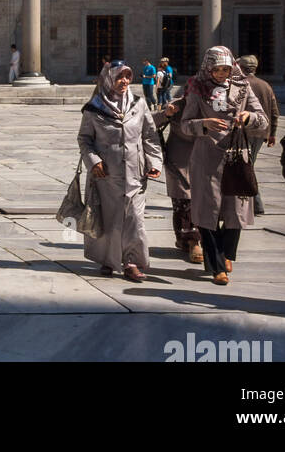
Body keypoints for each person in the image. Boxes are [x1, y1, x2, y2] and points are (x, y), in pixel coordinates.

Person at [179, 46, 268, 284]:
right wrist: (204, 124)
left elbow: (263, 119)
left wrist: (248, 118)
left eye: (225, 69)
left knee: (235, 212)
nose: (221, 74)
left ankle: (227, 254)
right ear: (208, 67)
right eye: (216, 69)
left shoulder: (242, 87)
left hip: (236, 156)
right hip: (207, 158)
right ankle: (217, 266)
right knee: (207, 213)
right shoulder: (197, 89)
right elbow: (185, 125)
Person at [77, 61, 162, 281]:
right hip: (106, 174)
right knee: (109, 218)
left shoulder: (138, 103)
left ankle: (131, 261)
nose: (124, 81)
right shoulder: (94, 108)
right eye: (119, 77)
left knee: (134, 218)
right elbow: (84, 139)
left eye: (127, 76)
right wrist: (93, 161)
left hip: (136, 172)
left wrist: (154, 162)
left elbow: (150, 136)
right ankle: (107, 259)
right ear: (108, 80)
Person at [153, 93, 203, 263]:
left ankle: (192, 240)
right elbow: (150, 122)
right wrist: (166, 113)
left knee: (202, 203)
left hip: (206, 160)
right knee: (183, 202)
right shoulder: (178, 104)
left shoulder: (214, 103)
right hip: (179, 161)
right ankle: (192, 241)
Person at [237, 54, 280, 215]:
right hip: (261, 133)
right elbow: (274, 113)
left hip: (244, 131)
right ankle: (251, 204)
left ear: (240, 67)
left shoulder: (240, 84)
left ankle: (256, 205)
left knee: (246, 167)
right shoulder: (265, 85)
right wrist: (272, 134)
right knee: (248, 166)